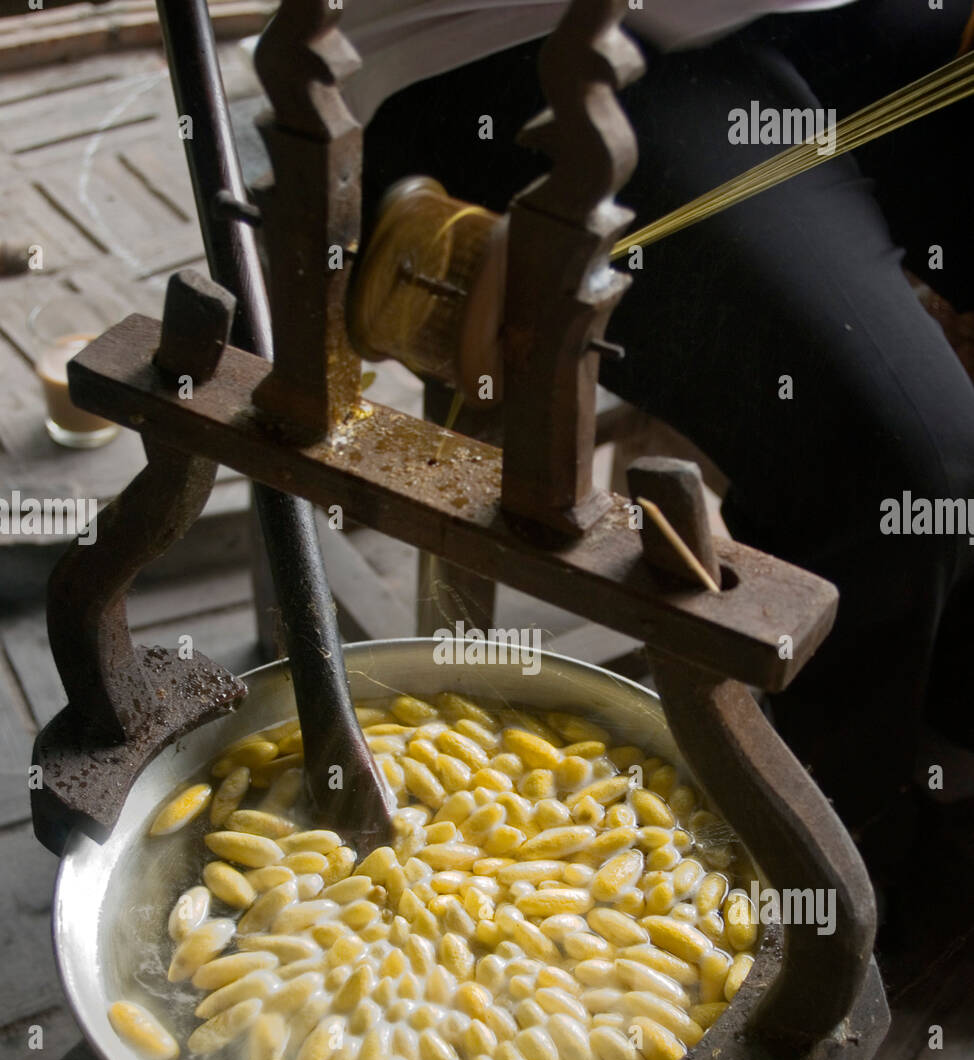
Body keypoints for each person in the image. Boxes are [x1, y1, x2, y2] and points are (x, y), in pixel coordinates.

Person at [340, 0, 974, 892]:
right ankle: (823, 880)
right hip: (529, 40)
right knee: (903, 469)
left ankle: (946, 713)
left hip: (798, 15)